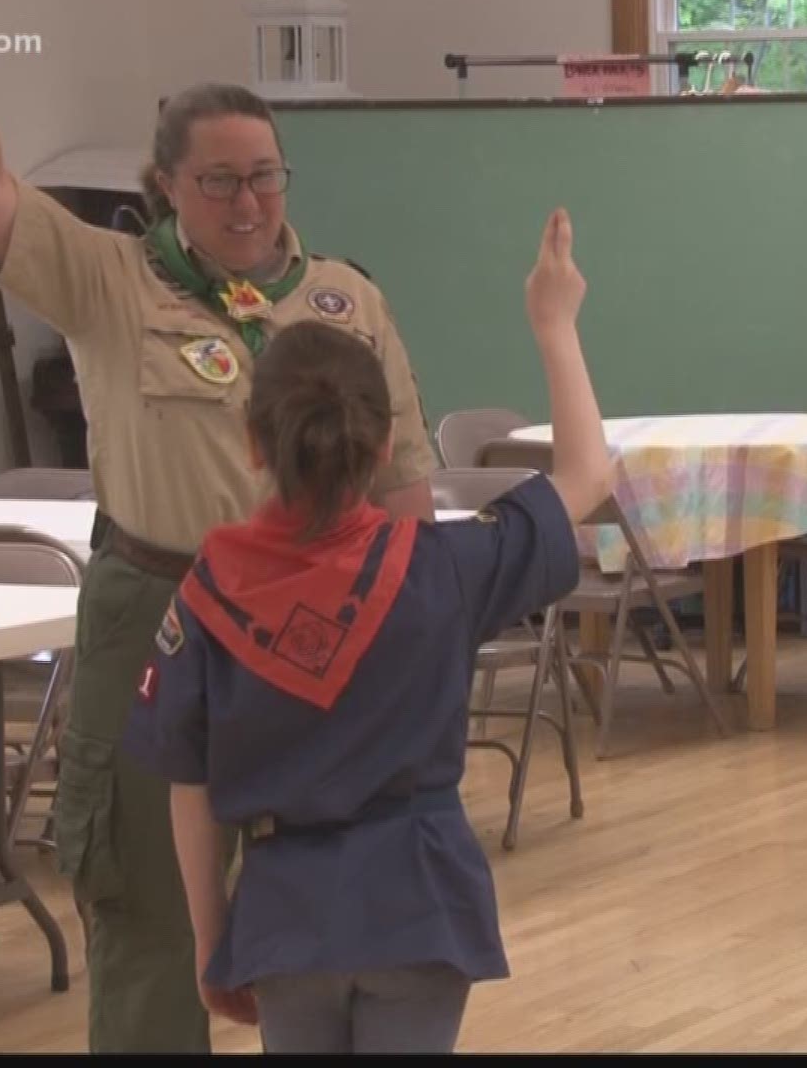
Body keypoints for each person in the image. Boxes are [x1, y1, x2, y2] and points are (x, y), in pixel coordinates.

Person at [0, 0, 439, 1052]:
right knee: (142, 903)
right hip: (159, 608)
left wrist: (407, 639)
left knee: (326, 897)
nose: (246, 202)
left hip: (311, 619)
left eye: (264, 175)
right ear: (167, 186)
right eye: (219, 180)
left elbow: (403, 485)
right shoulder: (112, 280)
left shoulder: (345, 303)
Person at [120, 208, 609, 1054]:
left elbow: (189, 785)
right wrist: (554, 323)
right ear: (385, 445)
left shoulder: (208, 592)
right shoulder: (442, 569)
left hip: (285, 908)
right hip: (419, 895)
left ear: (252, 445)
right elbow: (587, 476)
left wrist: (211, 939)